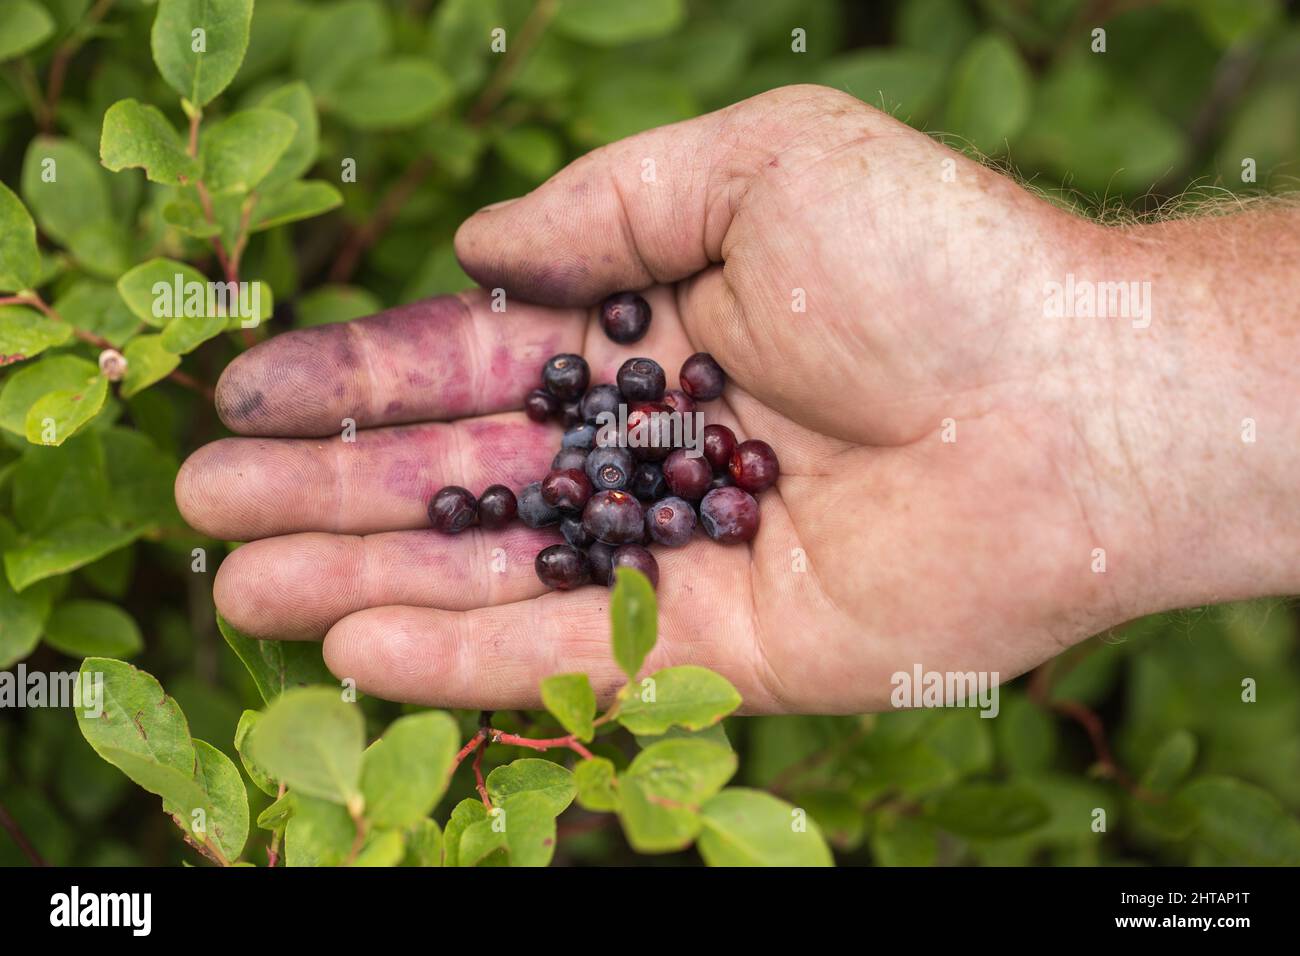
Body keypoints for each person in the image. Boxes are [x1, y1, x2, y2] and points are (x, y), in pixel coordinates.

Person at [175, 85, 1299, 714]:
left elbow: (633, 476)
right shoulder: (637, 443)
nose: (643, 495)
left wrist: (1094, 386)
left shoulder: (666, 454)